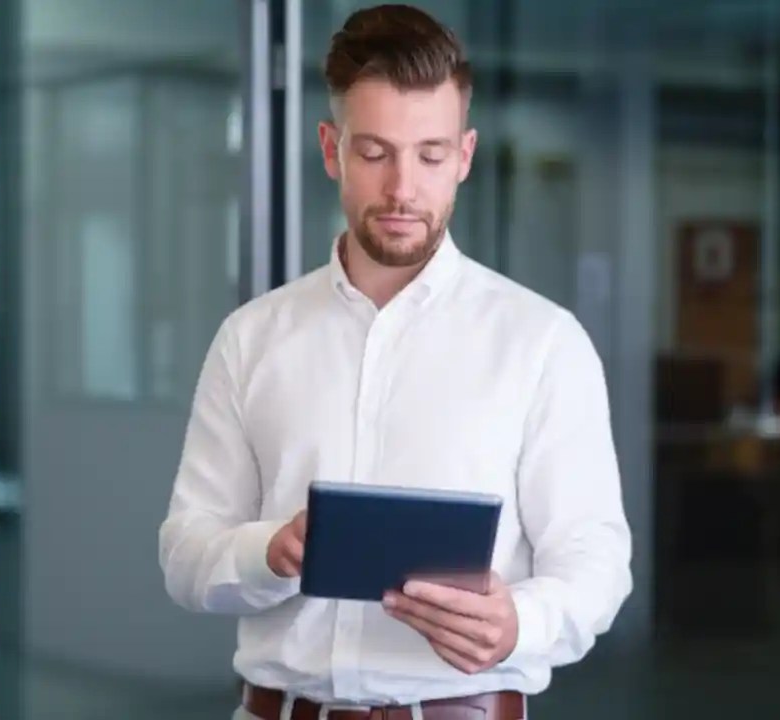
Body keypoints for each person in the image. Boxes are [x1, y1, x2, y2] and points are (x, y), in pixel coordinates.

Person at [157, 5, 632, 719]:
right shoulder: (251, 338)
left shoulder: (542, 343)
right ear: (331, 148)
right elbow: (185, 558)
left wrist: (519, 624)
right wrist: (272, 552)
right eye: (375, 153)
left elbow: (596, 567)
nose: (403, 188)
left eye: (431, 155)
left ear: (465, 157)